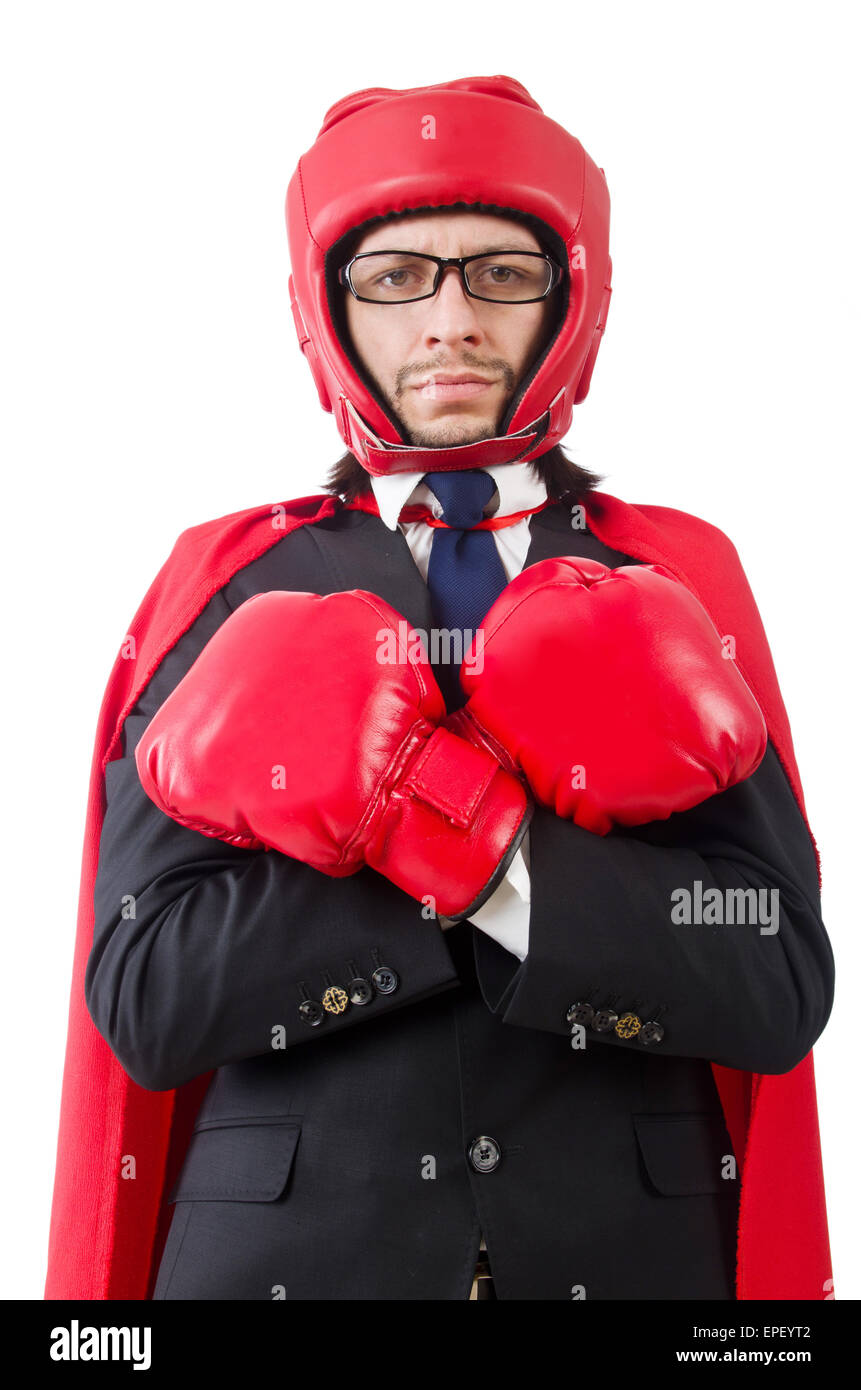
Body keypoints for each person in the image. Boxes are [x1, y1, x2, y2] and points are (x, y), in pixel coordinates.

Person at [44, 74, 835, 1302]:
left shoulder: (674, 576)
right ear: (331, 307)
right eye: (399, 274)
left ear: (571, 299)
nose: (451, 318)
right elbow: (144, 994)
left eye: (501, 273)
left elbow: (774, 963)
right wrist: (428, 840)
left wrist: (499, 861)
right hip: (286, 1274)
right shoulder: (221, 588)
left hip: (628, 1270)